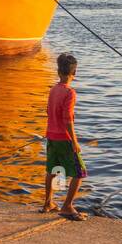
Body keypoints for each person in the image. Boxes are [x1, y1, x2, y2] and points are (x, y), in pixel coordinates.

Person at [42, 52, 86, 221]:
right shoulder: (70, 93)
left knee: (52, 170)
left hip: (51, 136)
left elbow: (48, 111)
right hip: (64, 138)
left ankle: (48, 203)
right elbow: (67, 118)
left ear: (58, 72)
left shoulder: (53, 89)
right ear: (74, 73)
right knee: (79, 172)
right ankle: (67, 206)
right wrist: (74, 141)